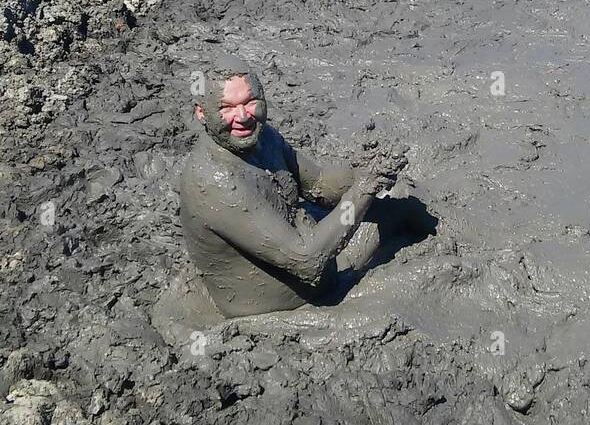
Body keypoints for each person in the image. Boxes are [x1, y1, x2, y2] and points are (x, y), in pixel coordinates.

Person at [180, 57, 432, 317]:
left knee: (402, 204)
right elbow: (307, 261)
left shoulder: (262, 136)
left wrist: (364, 169)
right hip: (280, 307)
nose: (243, 117)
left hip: (308, 251)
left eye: (251, 102)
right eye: (227, 108)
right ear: (202, 113)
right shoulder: (213, 180)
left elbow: (318, 184)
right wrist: (365, 187)